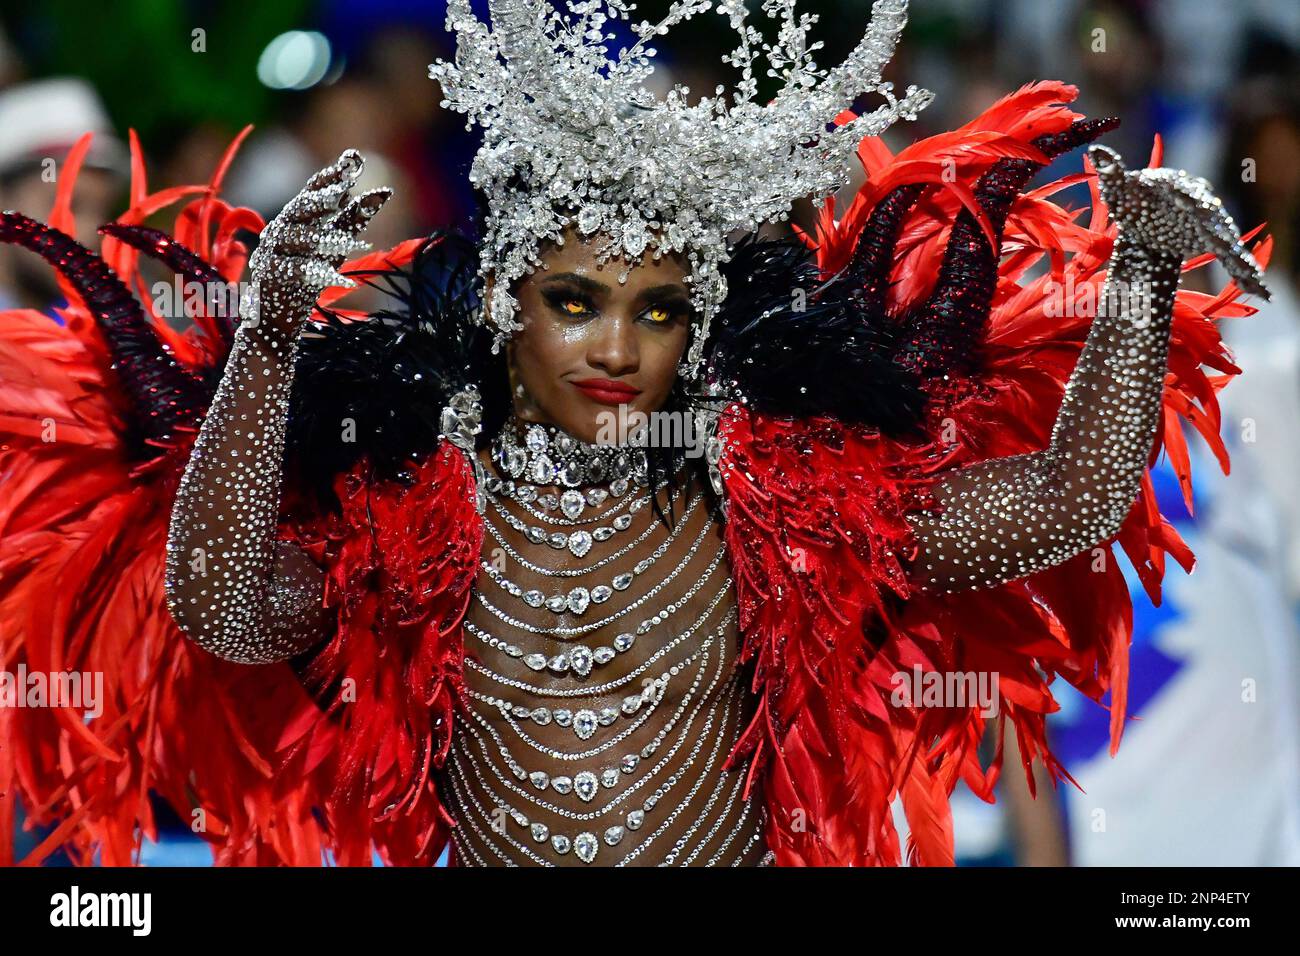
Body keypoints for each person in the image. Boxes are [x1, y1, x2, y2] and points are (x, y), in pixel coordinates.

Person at [0, 0, 1270, 867]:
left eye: (657, 310)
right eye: (573, 303)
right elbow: (223, 603)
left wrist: (1143, 283)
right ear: (503, 306)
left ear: (700, 320)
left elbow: (1064, 504)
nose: (615, 347)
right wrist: (269, 341)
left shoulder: (772, 494)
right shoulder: (413, 497)